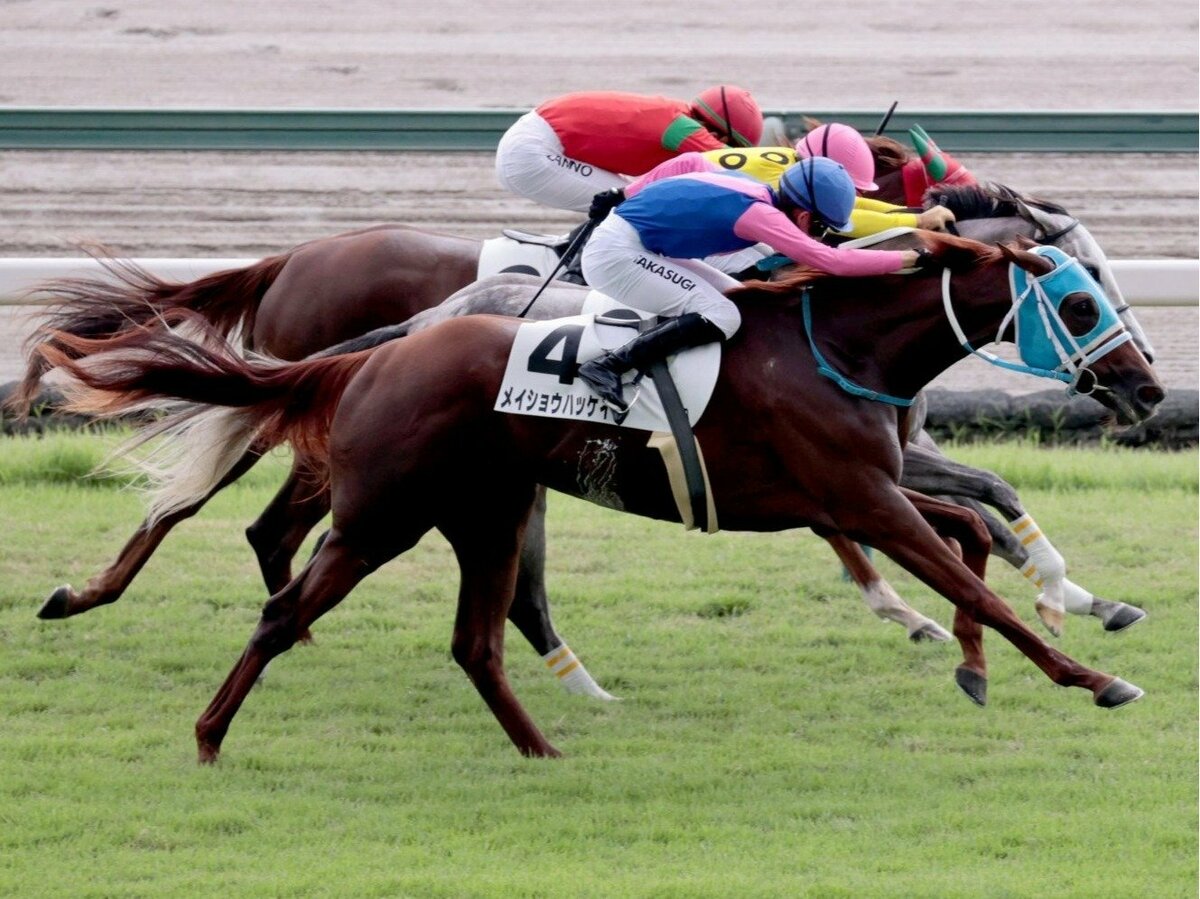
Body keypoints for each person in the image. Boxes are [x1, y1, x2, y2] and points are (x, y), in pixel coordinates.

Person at [576, 154, 929, 417]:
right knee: (723, 315)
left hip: (635, 242)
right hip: (616, 255)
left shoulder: (750, 185)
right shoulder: (759, 215)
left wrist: (623, 192)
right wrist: (908, 260)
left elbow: (685, 163)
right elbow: (828, 260)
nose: (818, 233)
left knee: (744, 301)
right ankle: (609, 366)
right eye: (820, 226)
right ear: (805, 215)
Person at [494, 86, 764, 213]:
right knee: (630, 206)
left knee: (624, 198)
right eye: (730, 144)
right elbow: (733, 165)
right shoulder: (683, 128)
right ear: (718, 132)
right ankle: (579, 271)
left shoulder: (675, 113)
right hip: (533, 152)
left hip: (532, 142)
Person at [701, 122, 957, 239]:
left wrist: (901, 211)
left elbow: (852, 206)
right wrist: (917, 220)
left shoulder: (792, 164)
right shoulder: (786, 177)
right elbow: (843, 220)